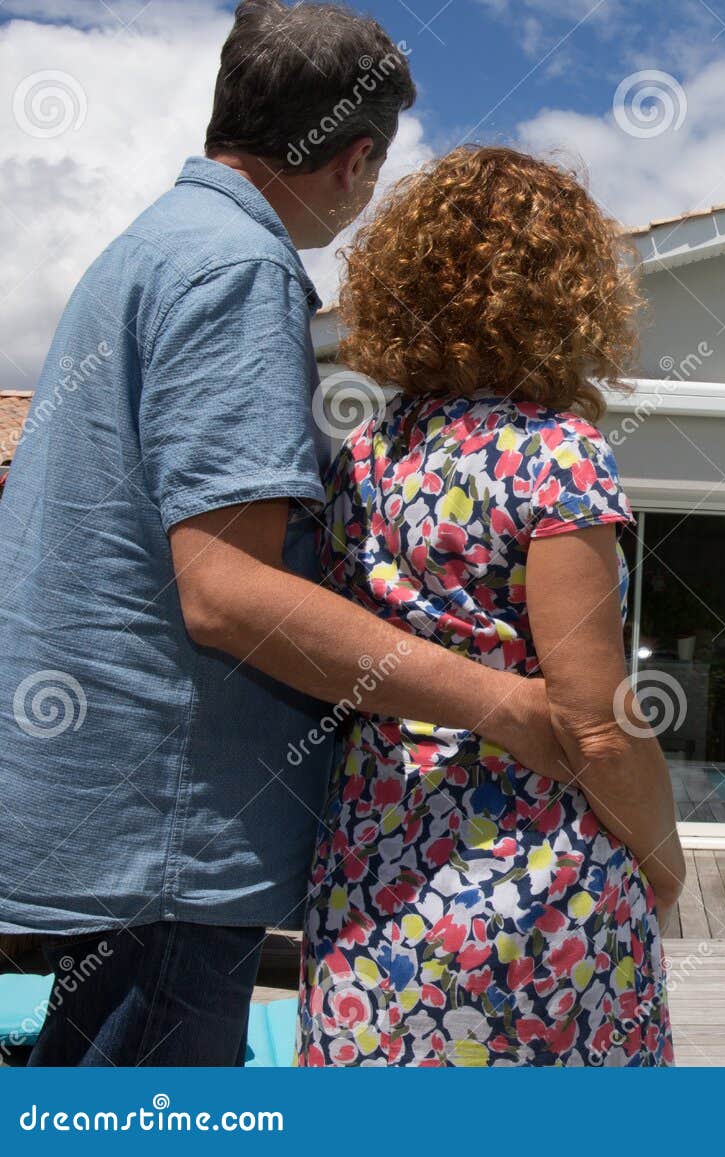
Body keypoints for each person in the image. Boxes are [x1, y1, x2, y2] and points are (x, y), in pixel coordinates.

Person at [0, 1, 571, 1066]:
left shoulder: (156, 245)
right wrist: (504, 703)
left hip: (110, 823)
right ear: (355, 158)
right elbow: (226, 592)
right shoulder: (239, 269)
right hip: (166, 840)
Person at [297, 145, 683, 1067]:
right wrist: (666, 859)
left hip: (372, 879)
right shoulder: (558, 454)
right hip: (535, 902)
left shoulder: (363, 458)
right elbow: (594, 721)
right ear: (570, 295)